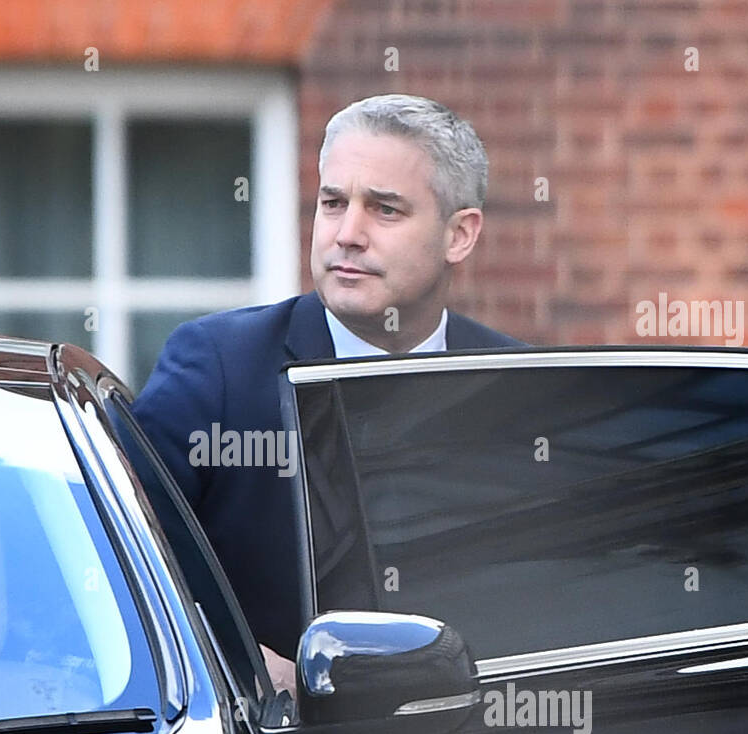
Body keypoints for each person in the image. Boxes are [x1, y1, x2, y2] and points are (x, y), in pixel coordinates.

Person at [134, 93, 524, 691]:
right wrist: (249, 674)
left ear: (460, 235)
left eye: (385, 210)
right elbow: (121, 566)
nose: (347, 234)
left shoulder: (516, 386)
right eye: (333, 202)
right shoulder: (216, 368)